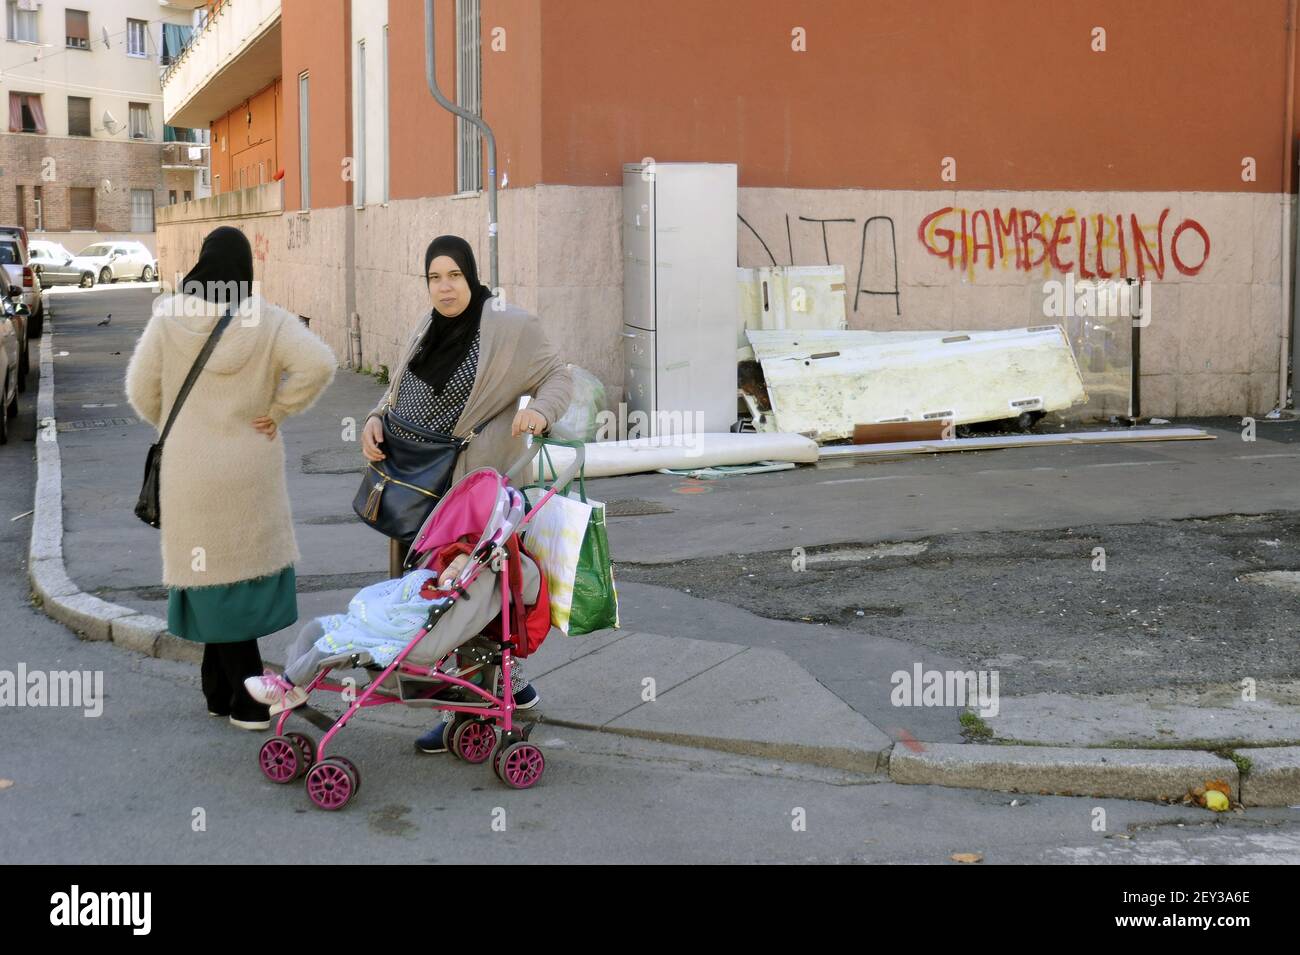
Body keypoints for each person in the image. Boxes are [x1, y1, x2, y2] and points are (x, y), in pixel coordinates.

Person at [360, 234, 571, 753]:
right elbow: (396, 392)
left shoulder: (506, 326)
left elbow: (559, 375)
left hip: (470, 491)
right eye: (434, 277)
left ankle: (471, 710)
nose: (445, 287)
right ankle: (495, 691)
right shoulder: (427, 326)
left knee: (469, 597)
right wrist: (373, 419)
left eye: (454, 275)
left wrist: (541, 412)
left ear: (472, 276)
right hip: (414, 487)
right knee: (432, 600)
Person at [124, 227, 336, 730]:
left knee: (209, 580)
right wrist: (280, 408)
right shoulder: (267, 320)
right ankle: (229, 692)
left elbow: (139, 390)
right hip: (250, 469)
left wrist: (179, 426)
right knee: (237, 580)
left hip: (190, 473)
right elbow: (320, 363)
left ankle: (234, 696)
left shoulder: (169, 317)